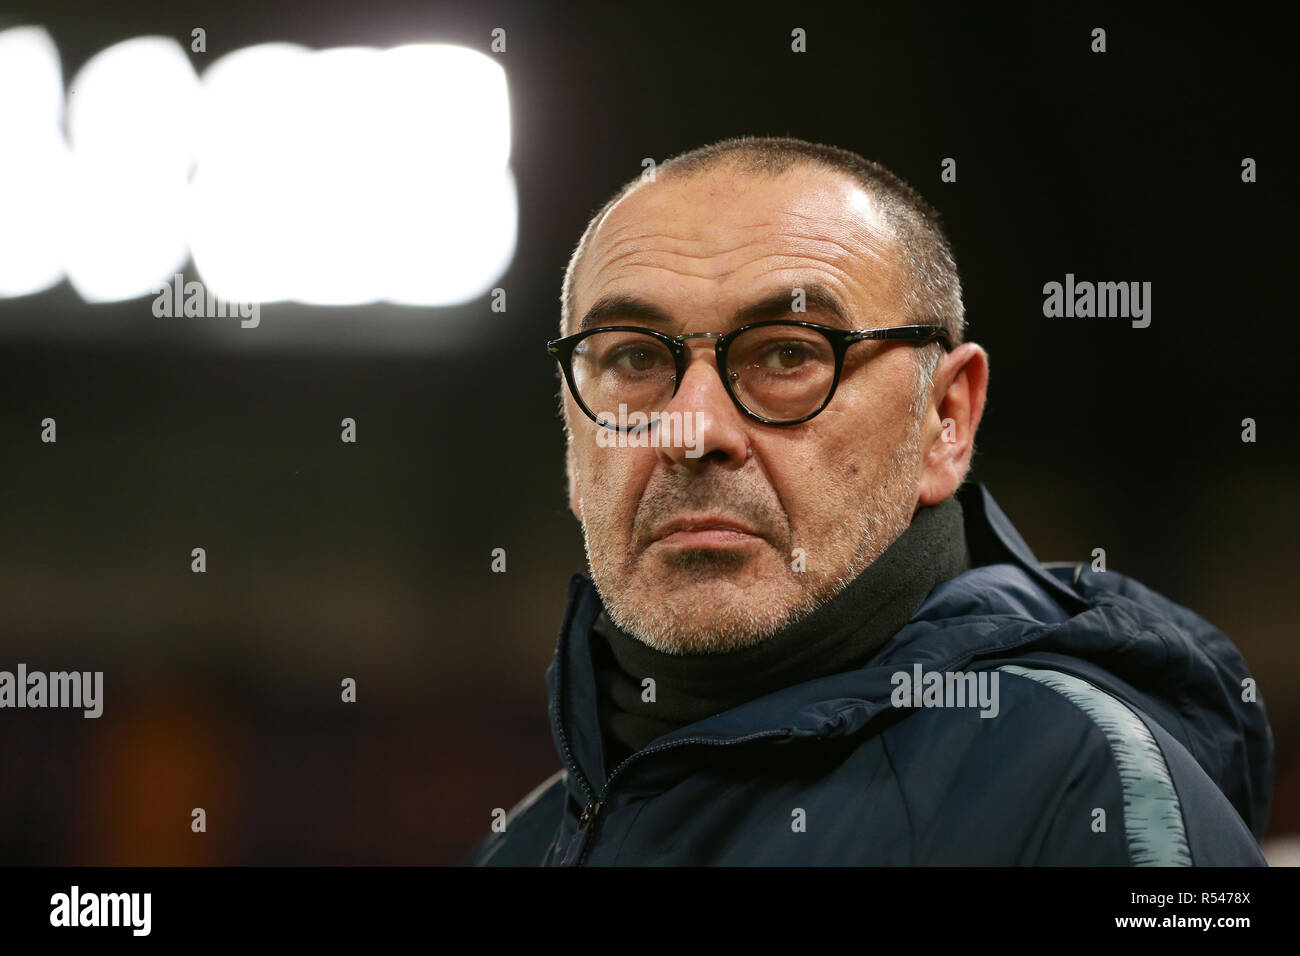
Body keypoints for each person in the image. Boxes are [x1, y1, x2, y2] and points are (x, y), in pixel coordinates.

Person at [464, 136, 1272, 865]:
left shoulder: (1082, 787)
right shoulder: (521, 846)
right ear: (574, 438)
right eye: (636, 359)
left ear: (946, 421)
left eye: (787, 353)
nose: (693, 429)